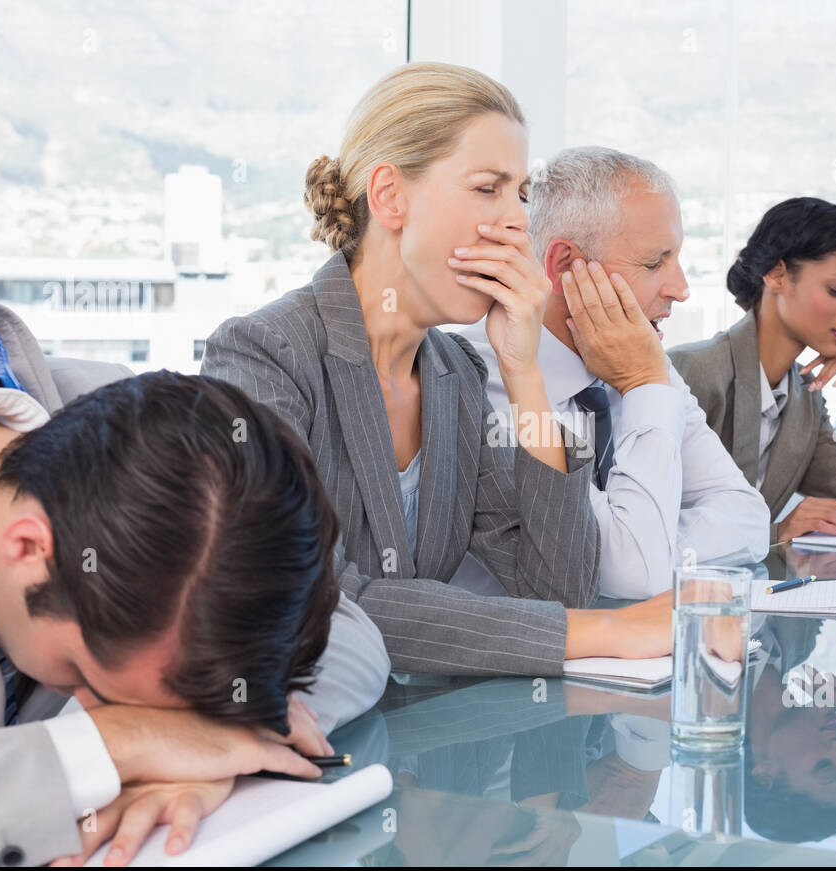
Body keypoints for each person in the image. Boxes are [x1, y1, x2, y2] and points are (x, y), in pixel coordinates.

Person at [202, 63, 672, 672]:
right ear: (390, 196)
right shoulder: (264, 355)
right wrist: (607, 632)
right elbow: (306, 601)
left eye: (521, 195)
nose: (516, 222)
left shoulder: (457, 375)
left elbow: (558, 588)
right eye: (487, 188)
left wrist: (524, 374)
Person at [0, 300, 391, 867]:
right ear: (29, 547)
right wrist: (119, 744)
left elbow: (351, 633)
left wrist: (224, 736)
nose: (142, 717)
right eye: (87, 680)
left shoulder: (161, 439)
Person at [452, 146, 769, 599]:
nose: (681, 290)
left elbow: (750, 520)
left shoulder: (646, 362)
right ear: (565, 266)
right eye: (654, 263)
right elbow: (631, 574)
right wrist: (643, 385)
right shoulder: (480, 378)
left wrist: (645, 548)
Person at [670, 197, 836, 542]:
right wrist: (776, 534)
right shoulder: (692, 372)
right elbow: (649, 531)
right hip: (669, 594)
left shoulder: (805, 399)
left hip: (752, 591)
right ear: (777, 275)